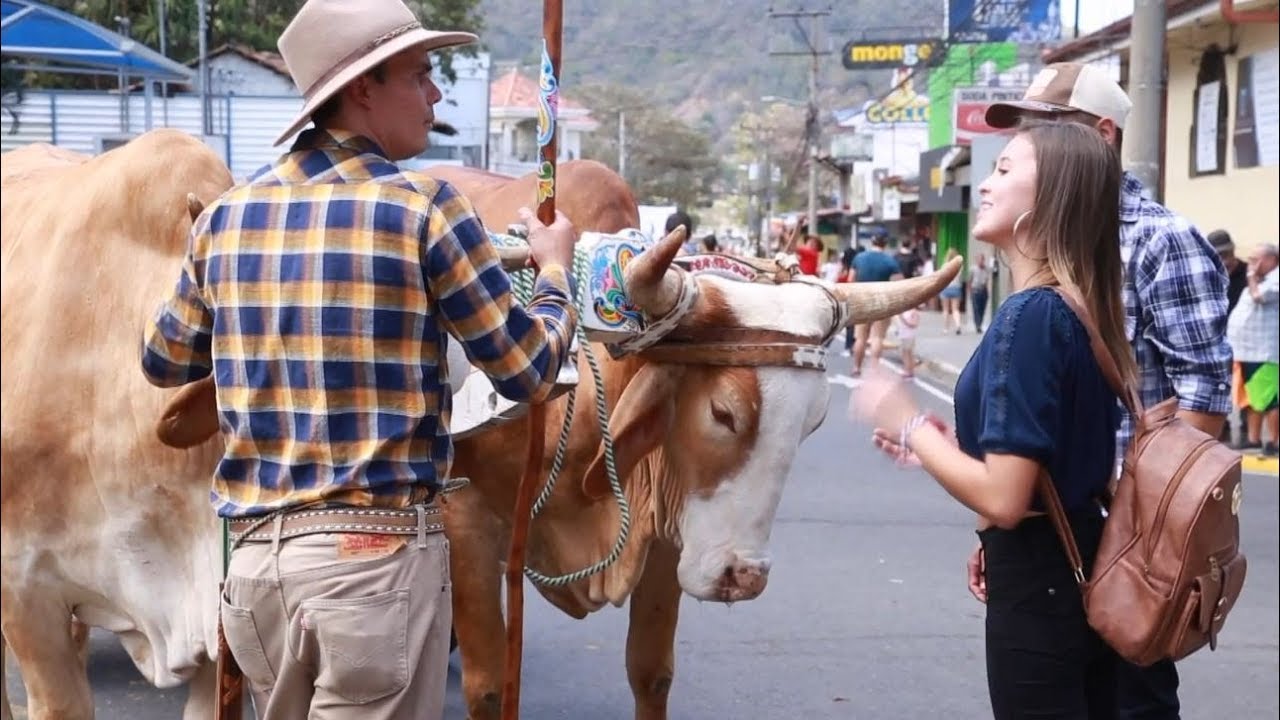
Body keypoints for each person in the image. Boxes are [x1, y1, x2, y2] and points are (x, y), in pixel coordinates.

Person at [139, 0, 581, 717]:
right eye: (421, 74)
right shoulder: (424, 209)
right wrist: (555, 271)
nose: (435, 95)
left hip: (256, 576)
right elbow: (527, 370)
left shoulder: (224, 219)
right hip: (373, 571)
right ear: (364, 88)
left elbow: (163, 362)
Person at [853, 121, 1133, 719]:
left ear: (1050, 197)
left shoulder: (1028, 316)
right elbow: (1050, 463)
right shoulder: (1076, 306)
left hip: (1044, 581)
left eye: (1004, 170)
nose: (984, 183)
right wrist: (949, 456)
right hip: (1081, 559)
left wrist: (907, 422)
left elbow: (1005, 499)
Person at [985, 60, 1233, 720]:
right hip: (1051, 535)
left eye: (1049, 127)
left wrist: (1150, 532)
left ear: (1101, 135)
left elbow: (1204, 395)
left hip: (1131, 539)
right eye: (1025, 130)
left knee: (1131, 703)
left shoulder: (1161, 239)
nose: (1030, 143)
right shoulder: (1043, 237)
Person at [1226, 243, 1279, 457]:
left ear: (1271, 260)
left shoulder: (1275, 279)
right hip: (1247, 350)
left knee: (1270, 398)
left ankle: (1274, 441)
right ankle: (1253, 439)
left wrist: (1250, 275)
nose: (1251, 264)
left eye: (1256, 259)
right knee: (1251, 398)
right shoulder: (1260, 278)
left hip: (1264, 351)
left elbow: (1259, 297)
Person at [1208, 230, 1249, 444]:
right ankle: (1220, 430)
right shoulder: (1209, 274)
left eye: (1227, 254)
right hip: (1216, 339)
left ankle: (1246, 430)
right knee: (1218, 387)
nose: (1224, 260)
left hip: (1246, 341)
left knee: (1247, 387)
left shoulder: (1248, 273)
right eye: (1219, 256)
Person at [849, 235, 903, 376]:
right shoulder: (890, 261)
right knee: (877, 338)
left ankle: (856, 367)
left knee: (860, 338)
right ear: (885, 244)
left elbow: (850, 280)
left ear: (872, 242)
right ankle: (873, 369)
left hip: (862, 301)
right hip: (882, 302)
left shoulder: (859, 258)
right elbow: (899, 284)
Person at [939, 247, 965, 334]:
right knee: (955, 309)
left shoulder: (944, 266)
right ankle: (958, 325)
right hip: (956, 288)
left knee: (945, 310)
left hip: (946, 288)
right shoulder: (959, 266)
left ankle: (945, 328)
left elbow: (941, 277)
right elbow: (960, 278)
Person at [895, 305, 920, 379]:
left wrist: (902, 319)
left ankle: (908, 371)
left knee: (908, 354)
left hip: (909, 336)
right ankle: (909, 370)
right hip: (903, 335)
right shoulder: (905, 312)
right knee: (905, 353)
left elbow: (914, 324)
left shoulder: (914, 312)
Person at [970, 253, 992, 332]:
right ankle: (977, 325)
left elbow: (988, 280)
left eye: (982, 259)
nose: (981, 261)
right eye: (979, 259)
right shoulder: (973, 269)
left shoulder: (987, 269)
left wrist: (988, 290)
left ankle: (980, 323)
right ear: (976, 260)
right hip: (975, 290)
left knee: (982, 309)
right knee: (976, 309)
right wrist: (970, 292)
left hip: (983, 291)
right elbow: (970, 280)